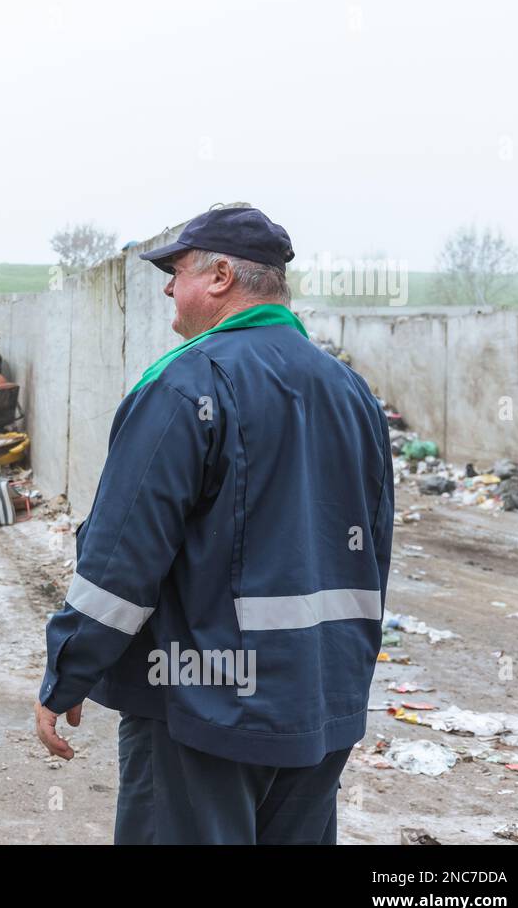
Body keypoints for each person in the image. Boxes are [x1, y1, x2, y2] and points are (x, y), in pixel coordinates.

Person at [34, 207, 393, 844]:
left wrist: (70, 669)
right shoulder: (350, 390)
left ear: (222, 275)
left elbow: (122, 560)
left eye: (176, 272)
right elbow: (372, 549)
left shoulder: (186, 383)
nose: (169, 288)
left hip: (203, 706)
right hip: (320, 701)